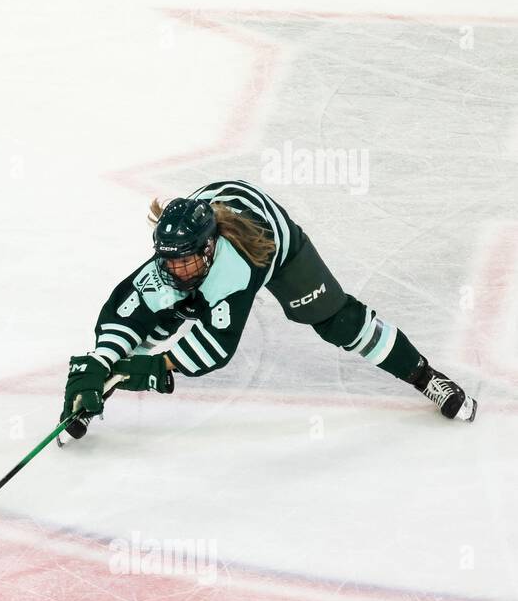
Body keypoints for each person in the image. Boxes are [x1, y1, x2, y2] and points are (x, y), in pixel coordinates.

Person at [60, 180, 477, 440]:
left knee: (338, 322)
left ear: (208, 246)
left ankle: (425, 376)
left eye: (186, 260)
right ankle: (103, 386)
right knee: (162, 311)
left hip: (277, 249)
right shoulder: (175, 257)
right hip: (227, 214)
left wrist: (159, 366)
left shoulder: (239, 262)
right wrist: (101, 362)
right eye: (169, 260)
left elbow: (215, 346)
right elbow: (125, 315)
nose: (177, 269)